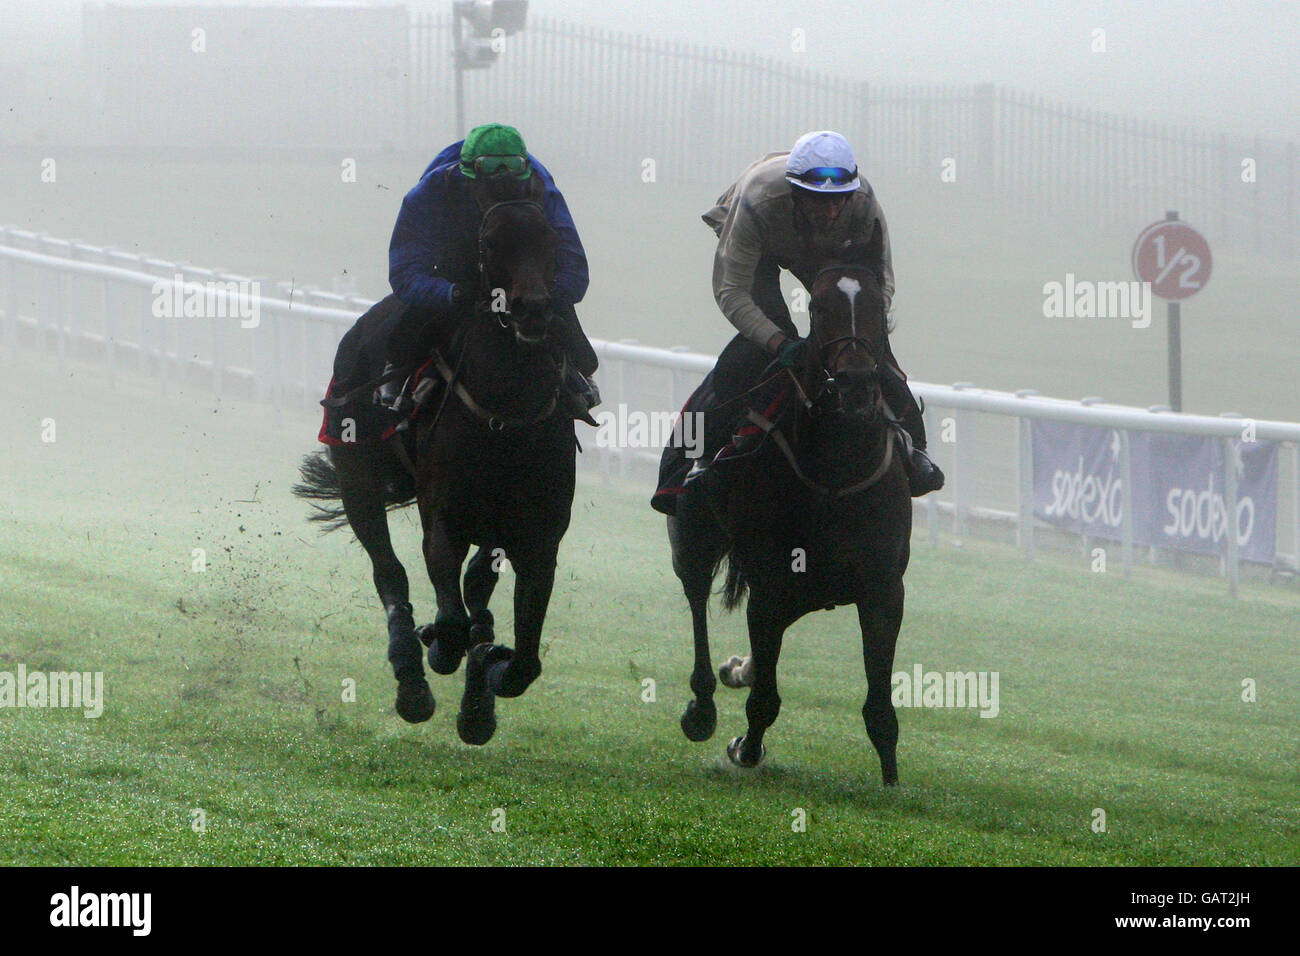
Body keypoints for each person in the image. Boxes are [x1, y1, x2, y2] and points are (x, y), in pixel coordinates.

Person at [695, 129, 943, 497]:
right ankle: (699, 458)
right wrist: (779, 343)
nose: (830, 211)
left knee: (867, 350)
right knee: (749, 356)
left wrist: (859, 335)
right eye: (817, 201)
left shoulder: (862, 203)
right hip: (762, 243)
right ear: (795, 193)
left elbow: (881, 283)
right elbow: (731, 291)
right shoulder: (759, 200)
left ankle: (914, 450)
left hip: (827, 254)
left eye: (838, 201)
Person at [383, 123, 598, 415]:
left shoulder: (542, 187)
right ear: (467, 175)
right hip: (454, 272)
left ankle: (577, 378)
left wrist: (545, 296)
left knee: (579, 350)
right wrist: (452, 293)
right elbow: (405, 273)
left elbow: (574, 271)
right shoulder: (430, 192)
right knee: (403, 334)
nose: (501, 180)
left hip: (522, 274)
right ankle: (397, 381)